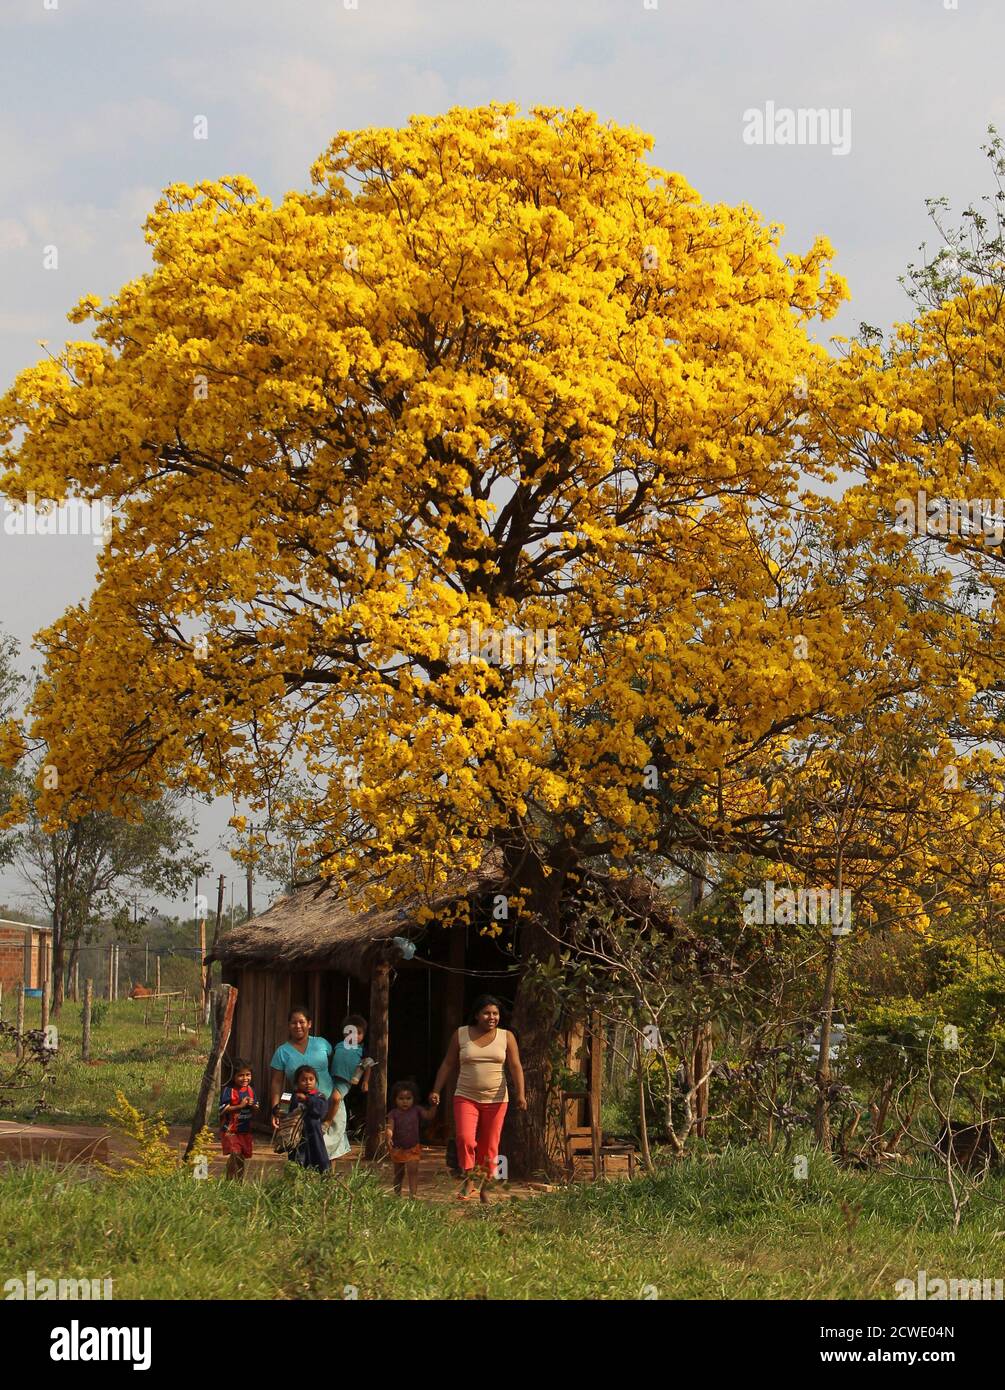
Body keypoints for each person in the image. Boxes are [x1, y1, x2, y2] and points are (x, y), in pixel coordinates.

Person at [430, 995, 526, 1203]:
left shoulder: (507, 1036)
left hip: (497, 1099)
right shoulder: (461, 1034)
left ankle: (485, 1188)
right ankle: (469, 1179)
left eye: (495, 1013)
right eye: (486, 1013)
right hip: (466, 1096)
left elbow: (515, 1066)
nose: (491, 1017)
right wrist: (436, 1089)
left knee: (490, 1145)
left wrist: (521, 1094)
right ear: (476, 1015)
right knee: (465, 1139)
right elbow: (447, 1063)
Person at [269, 1005, 336, 1143]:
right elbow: (277, 1083)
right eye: (294, 1022)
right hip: (301, 1110)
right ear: (288, 1025)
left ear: (309, 1024)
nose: (298, 1026)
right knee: (304, 1148)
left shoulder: (321, 1043)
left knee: (332, 1148)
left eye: (302, 1022)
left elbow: (336, 1064)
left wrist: (339, 1093)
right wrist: (276, 1111)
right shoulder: (282, 1052)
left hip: (329, 1105)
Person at [325, 1014, 371, 1160]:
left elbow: (368, 1064)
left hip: (345, 1081)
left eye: (358, 1033)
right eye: (350, 1032)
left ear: (363, 1035)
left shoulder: (361, 1050)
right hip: (331, 1079)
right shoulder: (338, 1045)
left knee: (336, 1098)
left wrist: (365, 1081)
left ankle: (326, 1122)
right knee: (330, 1100)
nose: (354, 1036)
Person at [385, 1081, 437, 1199]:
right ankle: (397, 1195)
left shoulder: (417, 1110)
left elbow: (429, 1116)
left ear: (414, 1099)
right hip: (398, 1148)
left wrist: (434, 1105)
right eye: (401, 1098)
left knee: (413, 1171)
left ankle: (413, 1196)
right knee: (399, 1173)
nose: (405, 1101)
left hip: (413, 1148)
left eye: (408, 1098)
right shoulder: (393, 1114)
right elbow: (390, 1127)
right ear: (395, 1099)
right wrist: (388, 1136)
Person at [279, 1064, 331, 1173]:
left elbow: (320, 1112)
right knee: (297, 1163)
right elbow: (281, 1111)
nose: (308, 1082)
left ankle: (324, 1184)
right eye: (303, 1080)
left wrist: (307, 1099)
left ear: (315, 1081)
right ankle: (296, 1186)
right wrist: (277, 1111)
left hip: (314, 1135)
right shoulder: (289, 1095)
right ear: (297, 1082)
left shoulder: (319, 1096)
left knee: (319, 1161)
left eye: (311, 1079)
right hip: (296, 1136)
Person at [219, 1059, 258, 1181]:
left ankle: (238, 1183)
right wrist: (240, 1106)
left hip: (245, 1130)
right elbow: (222, 1109)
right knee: (235, 1155)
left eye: (248, 1075)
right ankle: (229, 1182)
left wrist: (253, 1106)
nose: (245, 1078)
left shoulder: (250, 1090)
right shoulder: (229, 1091)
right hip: (230, 1130)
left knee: (241, 1158)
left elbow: (256, 1109)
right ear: (233, 1076)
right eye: (241, 1075)